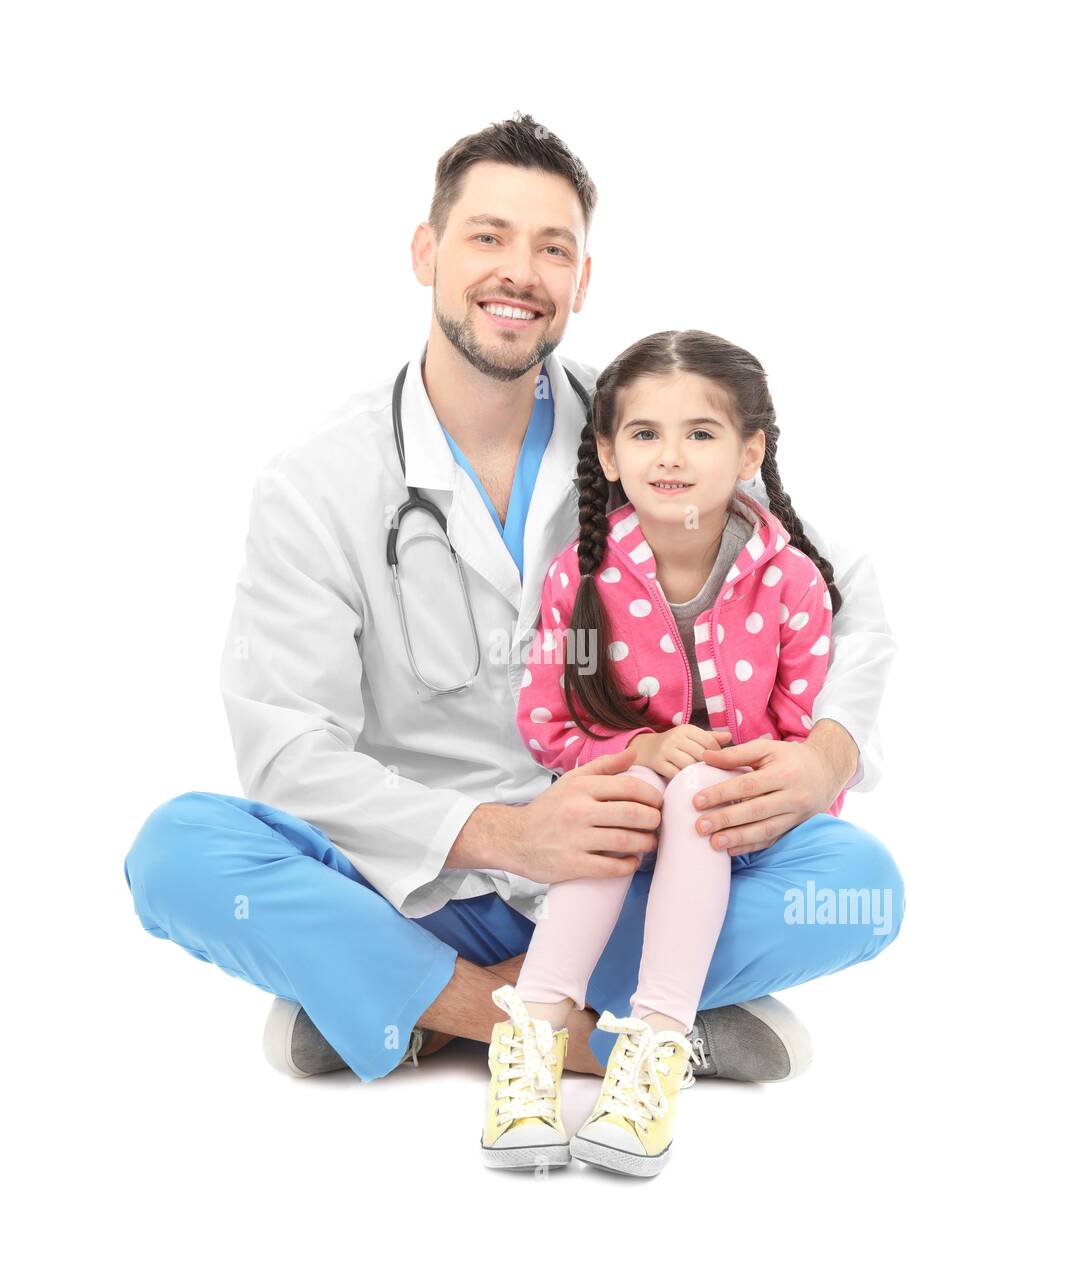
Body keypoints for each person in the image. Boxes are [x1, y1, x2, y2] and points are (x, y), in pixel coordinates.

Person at [122, 113, 904, 1102]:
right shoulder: (316, 482)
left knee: (858, 887)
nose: (518, 271)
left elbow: (844, 587)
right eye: (488, 236)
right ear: (427, 252)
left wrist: (825, 754)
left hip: (631, 878)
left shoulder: (645, 429)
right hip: (417, 885)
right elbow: (286, 753)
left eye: (552, 247)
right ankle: (578, 1034)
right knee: (178, 854)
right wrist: (506, 832)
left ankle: (385, 997)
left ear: (583, 280)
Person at [482, 329, 861, 1178]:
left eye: (701, 433)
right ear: (609, 454)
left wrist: (712, 773)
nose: (672, 457)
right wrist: (639, 750)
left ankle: (653, 1051)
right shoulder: (580, 581)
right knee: (629, 789)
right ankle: (531, 1042)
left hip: (734, 831)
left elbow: (801, 740)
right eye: (645, 434)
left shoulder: (792, 580)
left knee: (728, 806)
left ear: (750, 449)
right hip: (616, 834)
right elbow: (548, 727)